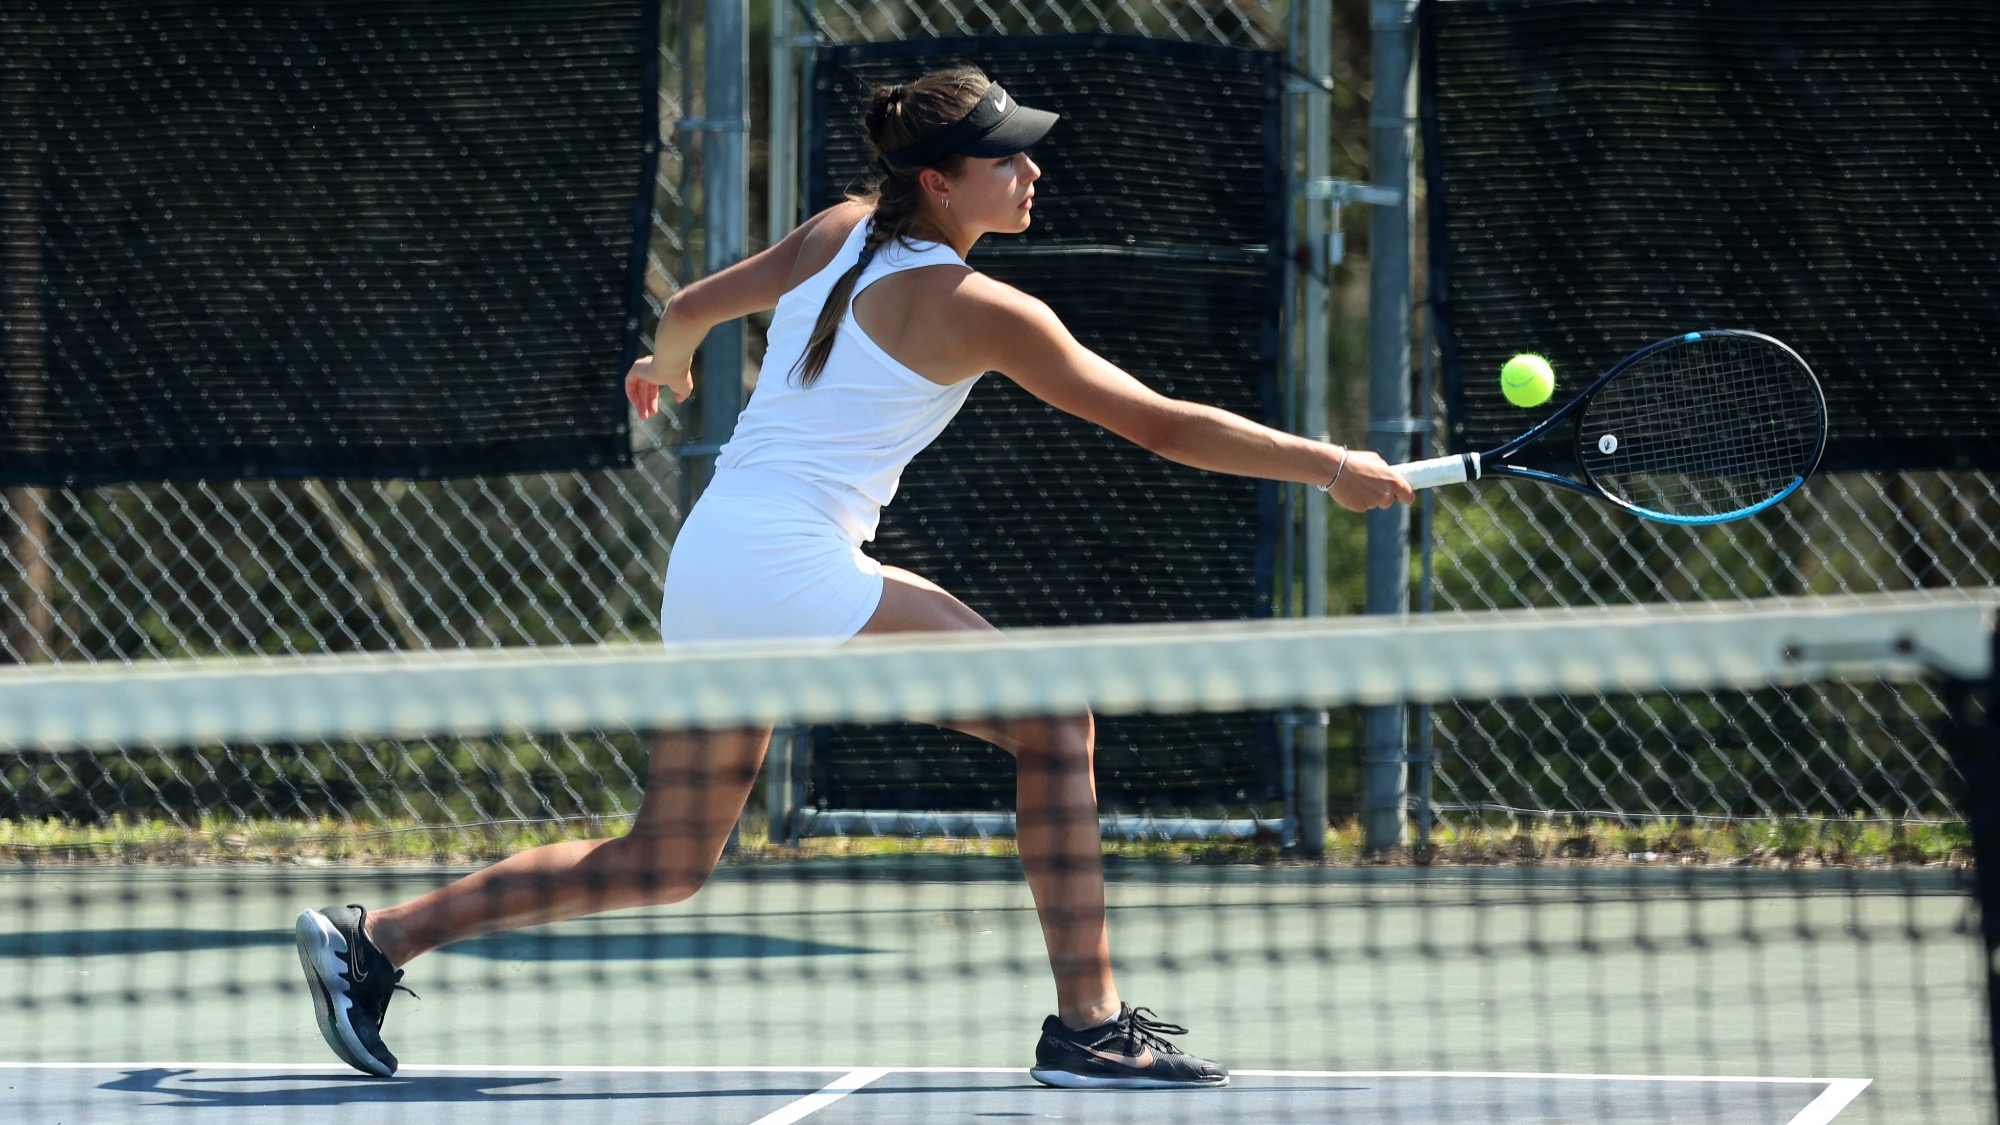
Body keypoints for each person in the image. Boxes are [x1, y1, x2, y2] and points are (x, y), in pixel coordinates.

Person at [295, 66, 1413, 1090]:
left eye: (1028, 152)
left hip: (715, 561)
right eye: (1005, 161)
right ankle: (1087, 1024)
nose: (1031, 173)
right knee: (1054, 722)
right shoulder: (980, 309)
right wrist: (1331, 465)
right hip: (782, 568)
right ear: (937, 182)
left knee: (666, 858)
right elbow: (1160, 428)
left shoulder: (840, 229)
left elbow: (686, 312)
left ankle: (377, 938)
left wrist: (662, 369)